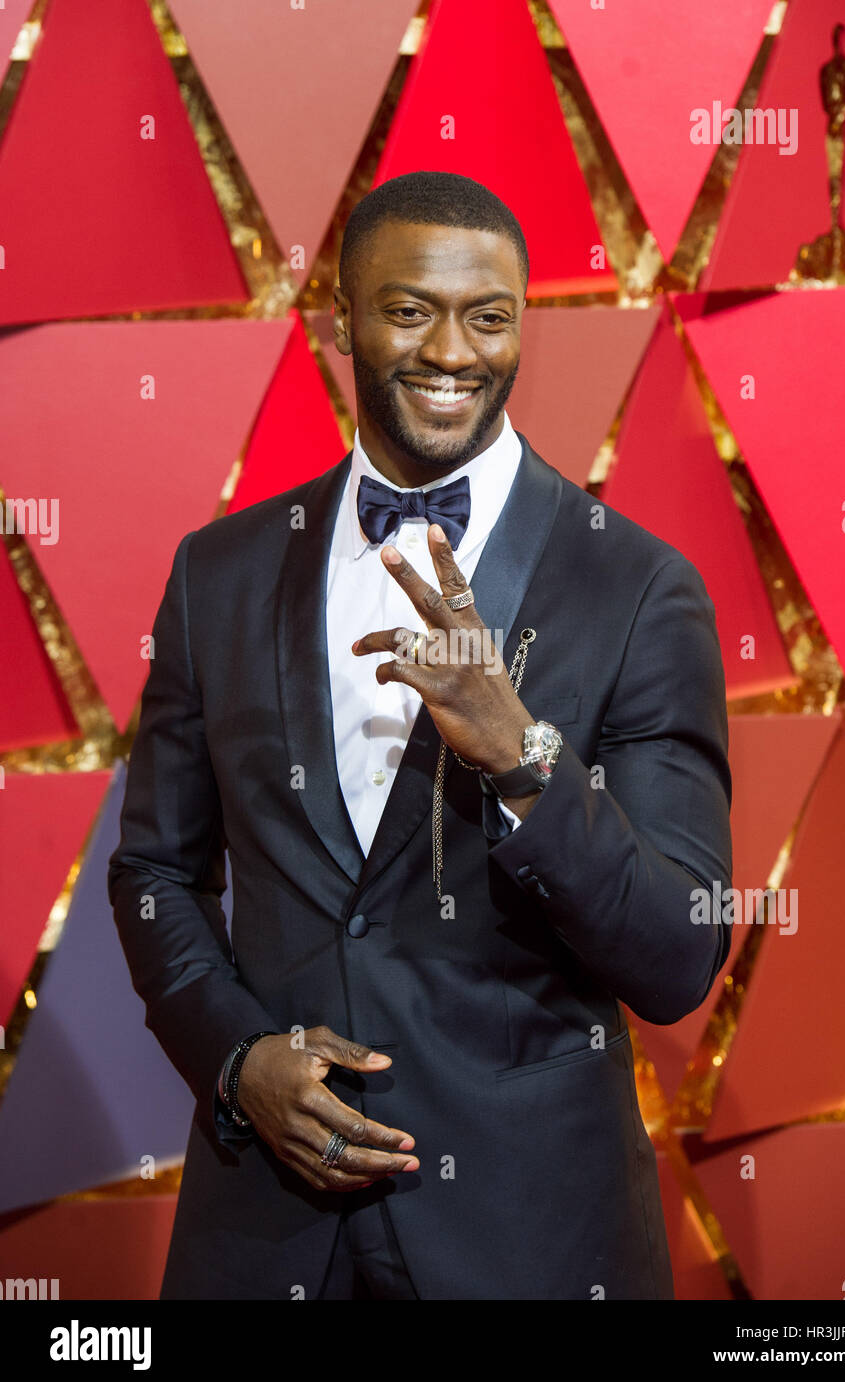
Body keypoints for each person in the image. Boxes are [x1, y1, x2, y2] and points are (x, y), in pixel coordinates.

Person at [108, 170, 733, 1300]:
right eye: (408, 310)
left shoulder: (639, 588)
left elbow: (679, 953)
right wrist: (239, 1061)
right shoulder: (220, 573)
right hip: (266, 1236)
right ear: (340, 318)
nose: (454, 350)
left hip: (533, 1238)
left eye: (489, 317)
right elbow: (155, 868)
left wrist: (520, 752)